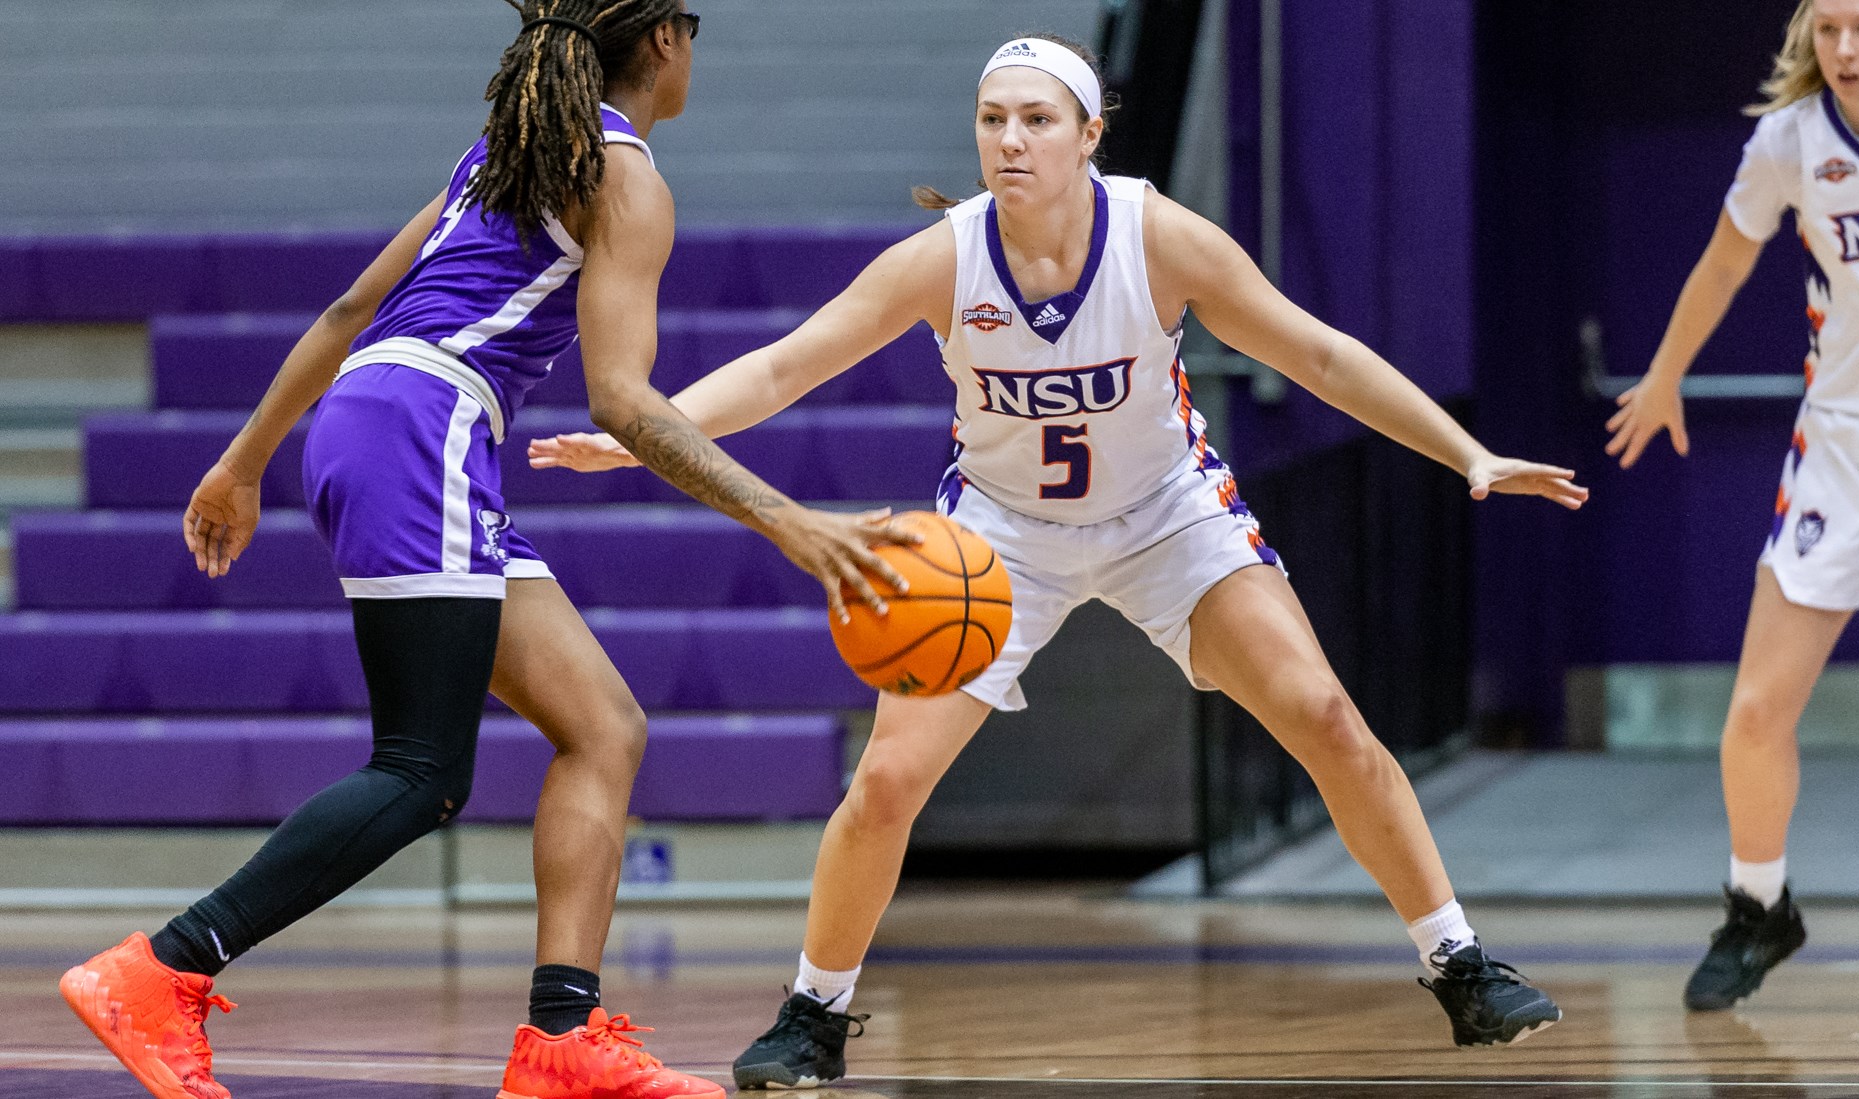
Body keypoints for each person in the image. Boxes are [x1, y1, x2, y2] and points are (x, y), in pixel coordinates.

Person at [531, 35, 1587, 1083]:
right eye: (993, 119)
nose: (1010, 140)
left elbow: (1315, 352)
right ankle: (814, 1012)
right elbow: (782, 368)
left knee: (1323, 715)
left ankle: (1459, 964)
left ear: (1088, 135)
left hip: (1166, 513)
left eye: (1036, 120)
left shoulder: (1158, 237)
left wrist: (1466, 452)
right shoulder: (944, 257)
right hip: (1002, 532)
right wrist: (645, 431)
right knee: (888, 779)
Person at [57, 5, 910, 1099]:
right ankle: (163, 968)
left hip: (377, 416)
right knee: (421, 769)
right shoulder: (624, 176)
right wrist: (787, 519)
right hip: (425, 428)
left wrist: (243, 460)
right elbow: (623, 401)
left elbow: (350, 307)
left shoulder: (510, 150)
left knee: (602, 727)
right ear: (665, 39)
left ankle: (562, 1038)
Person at [1605, 0, 1859, 1011]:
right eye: (1828, 30)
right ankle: (1758, 906)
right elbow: (1723, 262)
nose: (1844, 50)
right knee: (1755, 711)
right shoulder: (1789, 143)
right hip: (1847, 439)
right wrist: (1665, 374)